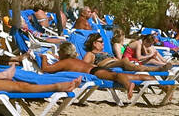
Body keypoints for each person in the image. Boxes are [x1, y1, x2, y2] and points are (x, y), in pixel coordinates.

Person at [37, 40, 167, 102]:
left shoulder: (64, 62)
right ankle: (166, 87)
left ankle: (128, 85)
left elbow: (46, 69)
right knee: (138, 76)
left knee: (116, 75)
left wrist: (43, 58)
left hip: (94, 72)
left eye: (59, 52)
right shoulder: (74, 59)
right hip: (96, 69)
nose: (58, 55)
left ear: (63, 53)